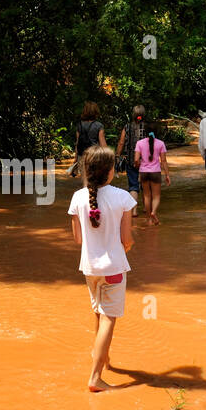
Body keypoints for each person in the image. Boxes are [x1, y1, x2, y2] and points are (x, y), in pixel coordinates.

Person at [68, 145, 135, 391]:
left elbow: (78, 239)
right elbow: (126, 239)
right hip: (114, 268)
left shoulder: (77, 198)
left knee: (98, 312)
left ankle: (103, 359)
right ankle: (95, 377)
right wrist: (125, 247)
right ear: (110, 170)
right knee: (109, 317)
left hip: (90, 268)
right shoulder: (123, 197)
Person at [134, 124, 170, 225]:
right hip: (155, 172)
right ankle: (154, 212)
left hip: (144, 172)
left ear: (145, 132)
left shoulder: (139, 143)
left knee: (146, 196)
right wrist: (167, 175)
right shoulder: (161, 143)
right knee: (156, 196)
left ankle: (149, 219)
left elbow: (136, 159)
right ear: (156, 132)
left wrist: (138, 165)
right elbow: (163, 161)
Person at [115, 104, 148, 214]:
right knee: (145, 185)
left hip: (130, 160)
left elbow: (121, 142)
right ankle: (146, 208)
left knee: (133, 186)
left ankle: (134, 211)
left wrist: (117, 156)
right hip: (145, 160)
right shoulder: (147, 127)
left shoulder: (127, 127)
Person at [71, 101, 108, 177]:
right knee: (94, 178)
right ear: (95, 111)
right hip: (94, 155)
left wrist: (76, 158)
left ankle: (86, 188)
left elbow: (77, 143)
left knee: (85, 178)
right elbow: (103, 144)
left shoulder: (79, 125)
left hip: (82, 155)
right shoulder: (99, 125)